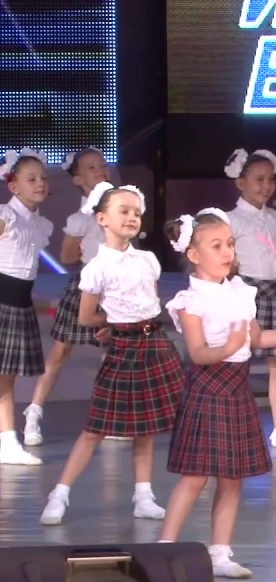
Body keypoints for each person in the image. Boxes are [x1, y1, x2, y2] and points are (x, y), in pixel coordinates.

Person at [159, 209, 276, 577]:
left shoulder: (240, 291)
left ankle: (220, 553)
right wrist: (227, 347)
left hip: (236, 388)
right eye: (216, 245)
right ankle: (164, 546)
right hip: (208, 387)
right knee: (195, 475)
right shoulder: (190, 301)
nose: (227, 252)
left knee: (232, 476)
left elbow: (256, 339)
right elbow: (197, 353)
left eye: (230, 244)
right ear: (194, 255)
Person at [40, 182, 181, 524]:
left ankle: (143, 495)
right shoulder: (97, 267)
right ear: (102, 219)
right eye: (124, 211)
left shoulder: (147, 259)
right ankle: (59, 494)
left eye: (136, 213)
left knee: (145, 427)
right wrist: (114, 322)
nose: (132, 217)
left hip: (154, 342)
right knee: (96, 427)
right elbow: (87, 316)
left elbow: (149, 302)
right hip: (123, 347)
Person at [22, 147, 111, 446]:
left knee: (110, 354)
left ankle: (108, 415)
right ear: (77, 179)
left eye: (101, 165)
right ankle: (33, 413)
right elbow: (67, 256)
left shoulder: (121, 208)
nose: (100, 170)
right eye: (91, 167)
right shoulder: (78, 219)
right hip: (87, 285)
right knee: (59, 353)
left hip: (116, 289)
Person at [223, 148, 276, 449]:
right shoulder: (232, 220)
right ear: (241, 183)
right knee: (238, 360)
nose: (266, 185)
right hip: (245, 291)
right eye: (258, 179)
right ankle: (231, 425)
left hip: (273, 290)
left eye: (271, 179)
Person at [0, 148, 51, 465]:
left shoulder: (40, 225)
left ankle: (7, 442)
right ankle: (7, 441)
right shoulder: (5, 216)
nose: (40, 183)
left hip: (18, 303)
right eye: (31, 179)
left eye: (43, 178)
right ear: (13, 185)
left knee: (6, 377)